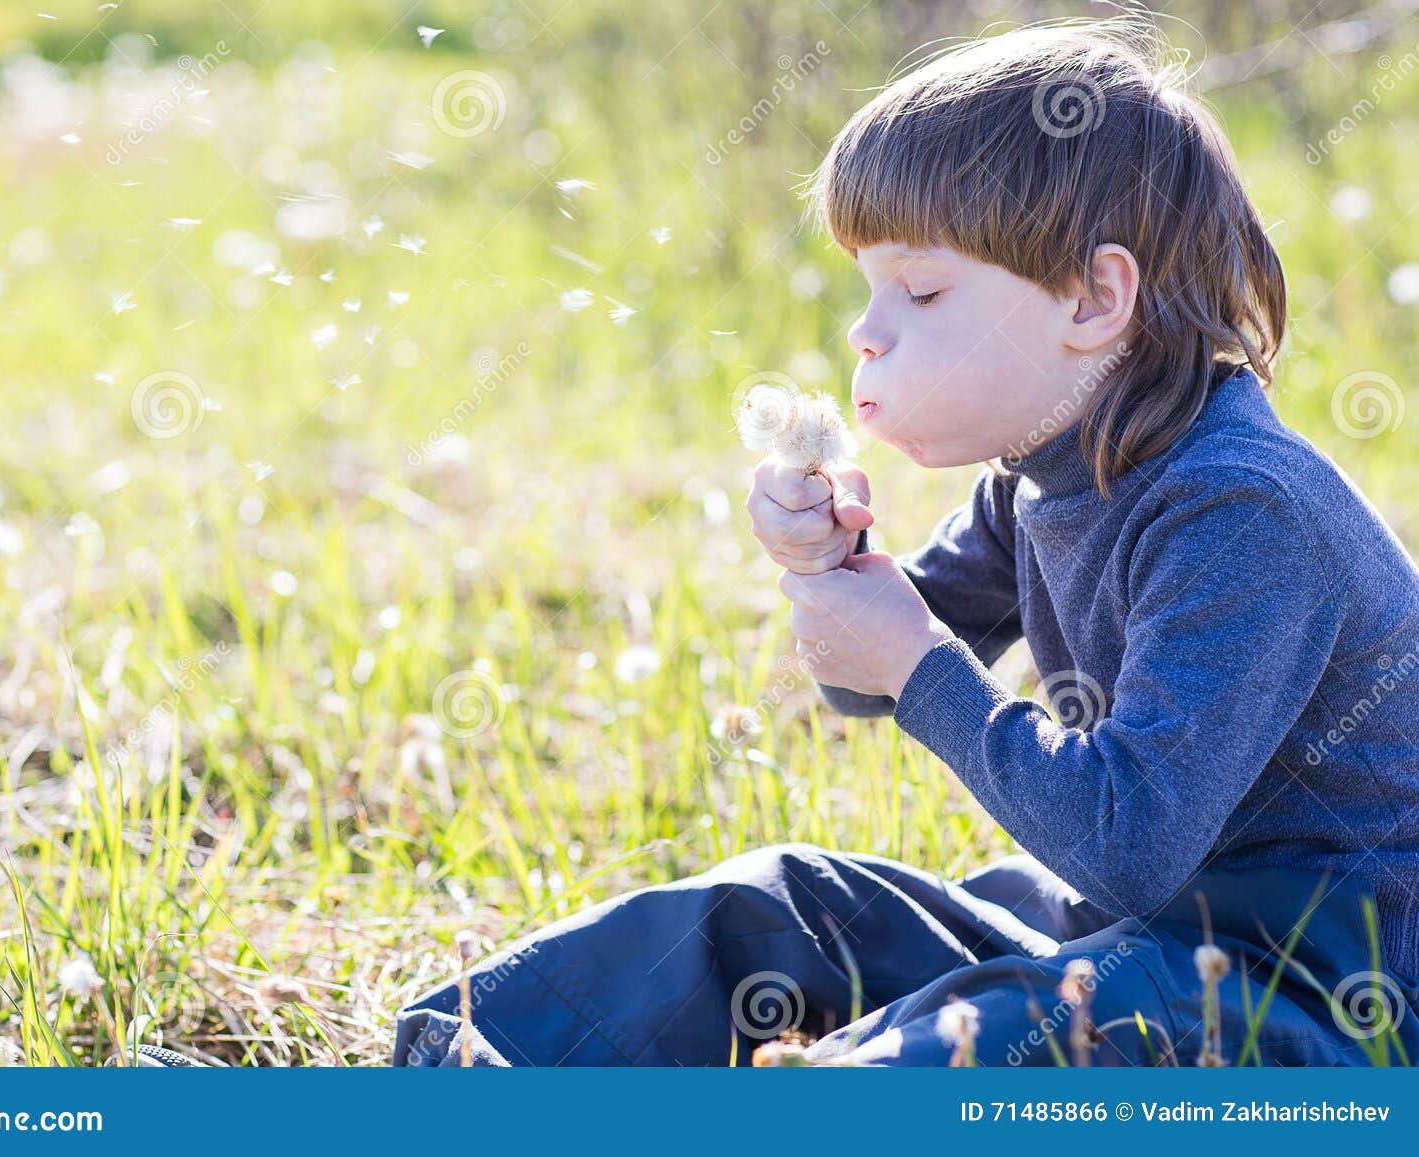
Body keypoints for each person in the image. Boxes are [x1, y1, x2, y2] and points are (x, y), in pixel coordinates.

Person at [393, 16, 1419, 1067]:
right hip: (1146, 941)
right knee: (786, 901)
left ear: (1094, 297)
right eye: (869, 288)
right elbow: (860, 682)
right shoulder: (1041, 468)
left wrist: (917, 664)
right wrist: (831, 569)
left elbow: (1129, 844)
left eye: (921, 290)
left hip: (1331, 996)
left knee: (1028, 1026)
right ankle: (464, 1064)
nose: (865, 331)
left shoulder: (1241, 511)